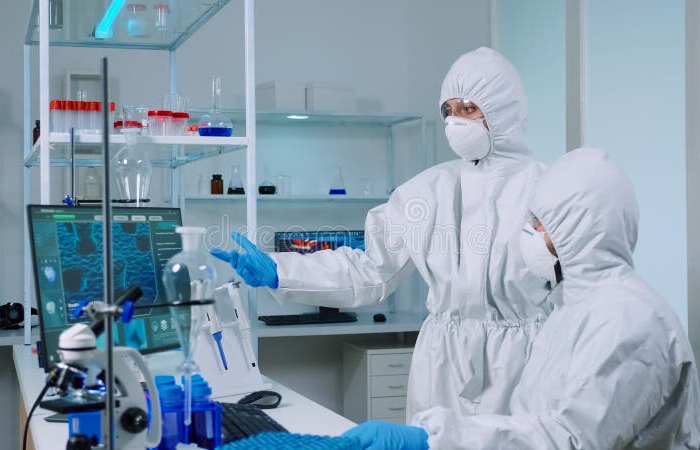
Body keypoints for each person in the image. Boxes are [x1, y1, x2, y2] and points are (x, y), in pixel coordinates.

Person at [212, 47, 553, 420]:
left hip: (522, 365)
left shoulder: (552, 191)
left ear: (502, 111)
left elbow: (580, 290)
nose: (455, 121)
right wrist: (281, 271)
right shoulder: (427, 191)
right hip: (443, 364)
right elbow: (372, 269)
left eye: (468, 108)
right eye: (448, 111)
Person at [343, 148, 700, 449]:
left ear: (580, 229)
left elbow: (572, 439)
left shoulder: (628, 321)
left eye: (540, 223)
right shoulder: (570, 311)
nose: (527, 233)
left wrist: (441, 438)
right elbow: (534, 422)